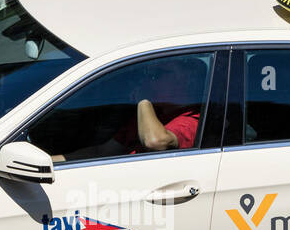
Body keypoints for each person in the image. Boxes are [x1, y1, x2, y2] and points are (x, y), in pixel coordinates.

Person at [50, 59, 202, 163]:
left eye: (158, 75)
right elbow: (102, 152)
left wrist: (143, 100)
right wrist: (52, 161)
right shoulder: (155, 115)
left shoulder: (191, 119)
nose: (148, 80)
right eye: (148, 75)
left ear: (185, 82)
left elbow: (155, 141)